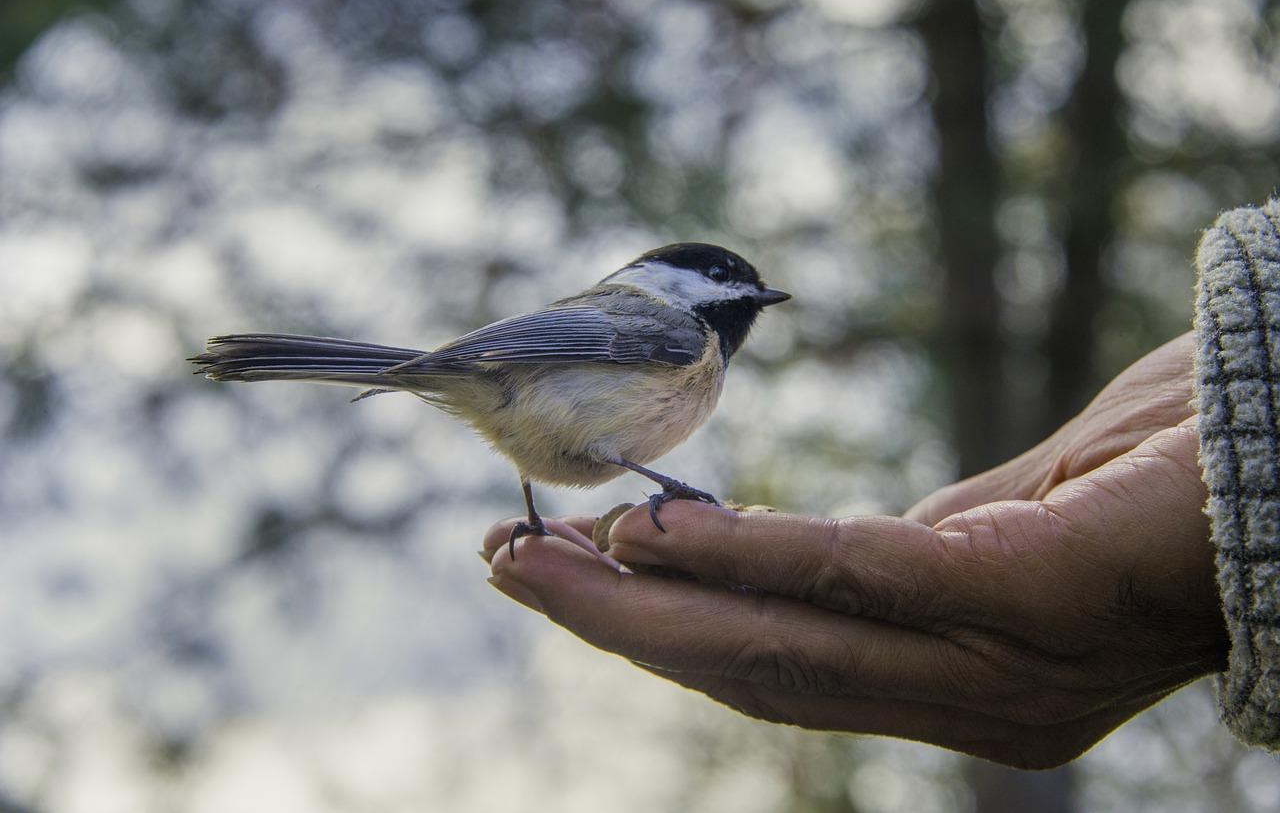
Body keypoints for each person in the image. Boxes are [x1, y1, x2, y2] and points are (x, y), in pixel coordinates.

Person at [483, 197, 1280, 768]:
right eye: (728, 277)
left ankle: (536, 526)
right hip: (523, 377)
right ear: (677, 281)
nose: (748, 296)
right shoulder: (675, 326)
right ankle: (556, 521)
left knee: (554, 465)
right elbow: (564, 352)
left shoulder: (678, 328)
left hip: (518, 398)